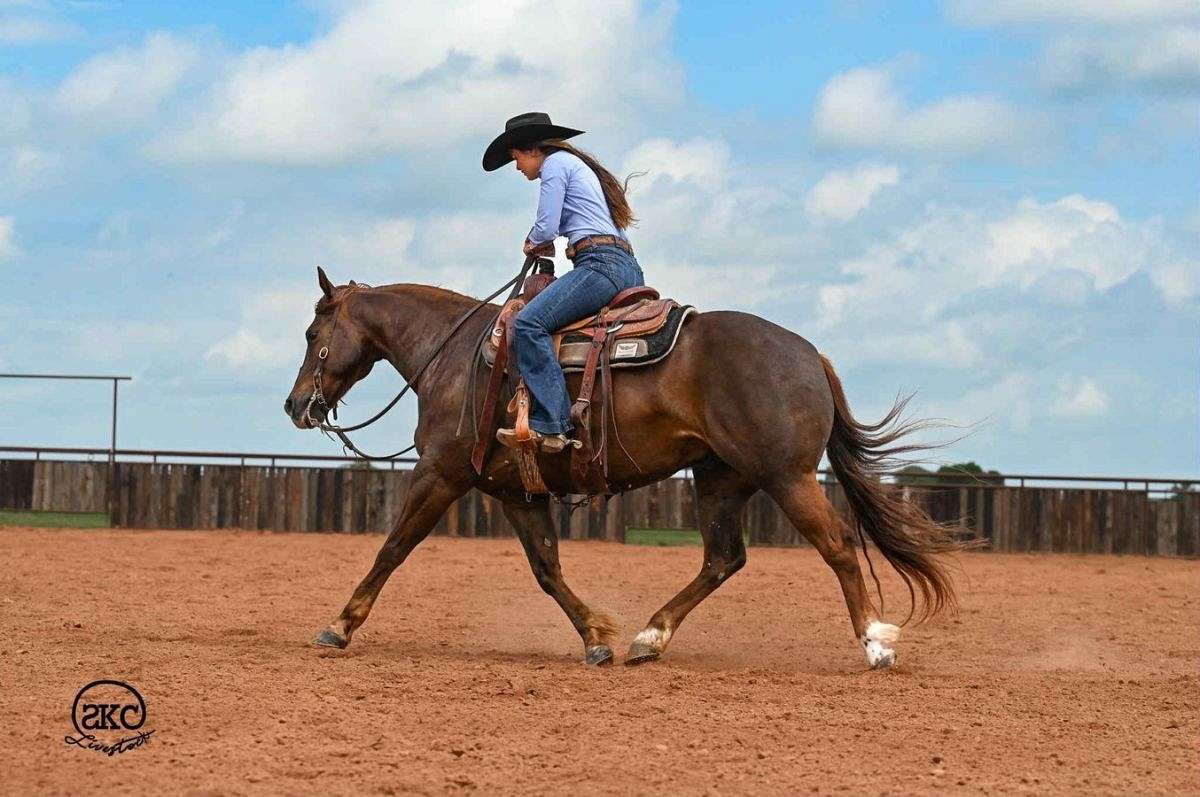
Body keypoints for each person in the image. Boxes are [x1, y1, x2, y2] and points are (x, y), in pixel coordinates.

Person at [482, 112, 646, 453]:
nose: (517, 168)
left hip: (600, 264)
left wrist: (532, 241)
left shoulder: (555, 165)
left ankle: (552, 423)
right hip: (627, 266)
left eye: (515, 159)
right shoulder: (574, 165)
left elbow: (546, 226)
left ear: (530, 151)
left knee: (528, 323)